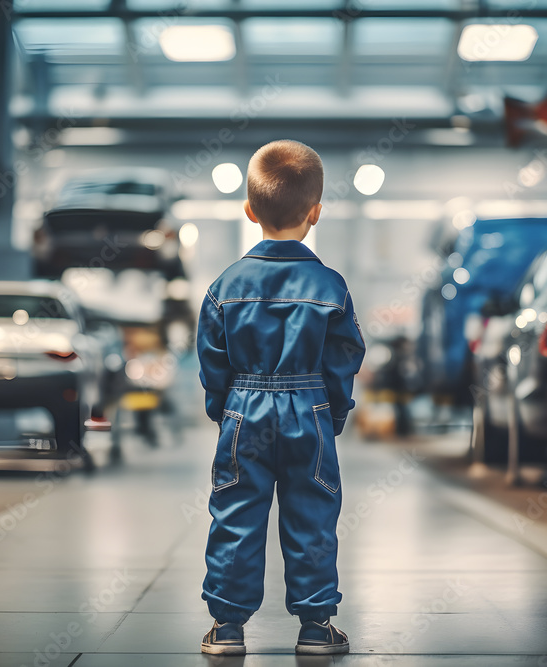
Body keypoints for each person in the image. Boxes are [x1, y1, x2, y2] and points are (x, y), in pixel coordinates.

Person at [196, 140, 366, 656]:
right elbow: (344, 357)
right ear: (315, 212)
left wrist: (223, 413)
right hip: (307, 411)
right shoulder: (330, 285)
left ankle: (227, 629)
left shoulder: (225, 286)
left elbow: (213, 363)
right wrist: (331, 413)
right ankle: (316, 627)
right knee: (312, 514)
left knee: (235, 515)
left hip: (243, 412)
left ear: (249, 210)